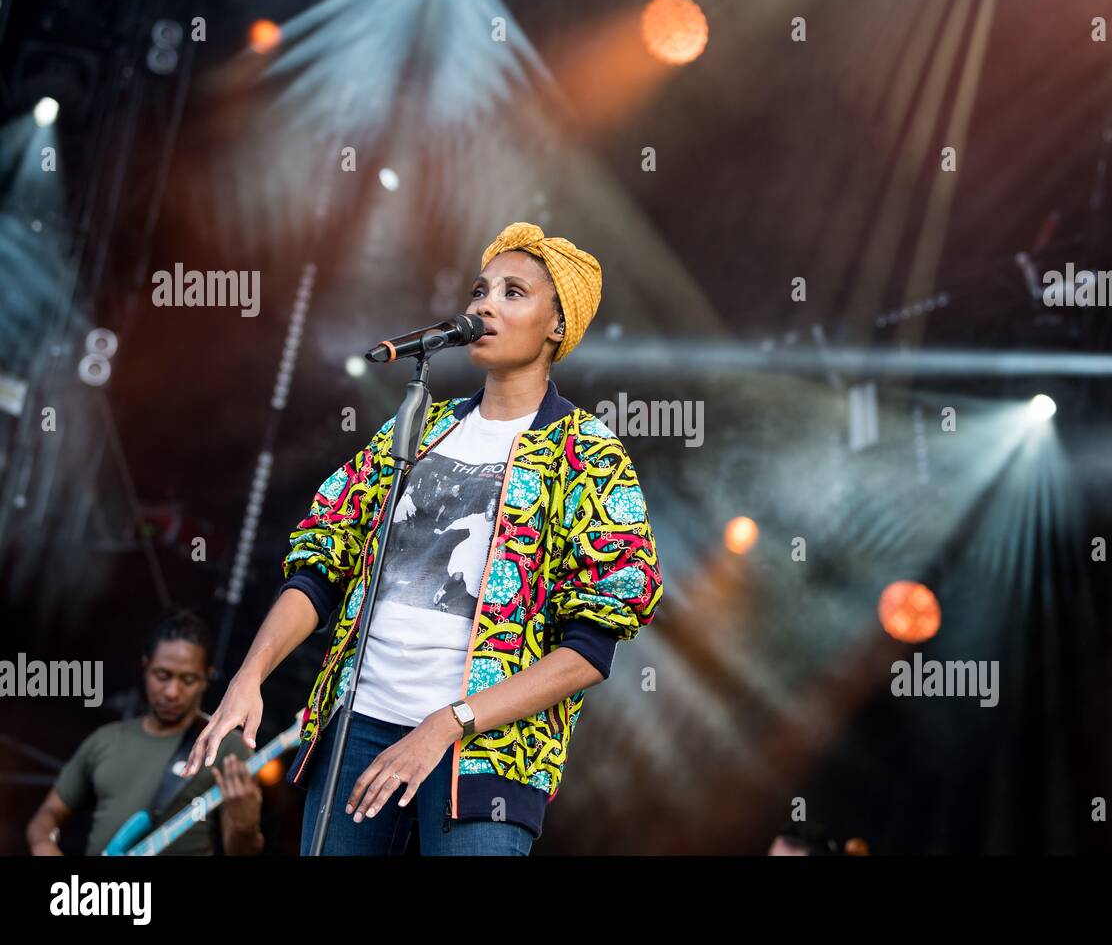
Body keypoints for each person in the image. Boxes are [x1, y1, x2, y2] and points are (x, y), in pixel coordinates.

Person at [184, 222, 664, 855]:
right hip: (361, 727)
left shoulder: (586, 454)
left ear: (557, 326)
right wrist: (249, 677)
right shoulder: (416, 429)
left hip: (487, 752)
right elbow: (324, 563)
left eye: (513, 292)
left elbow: (591, 648)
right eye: (479, 289)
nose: (484, 305)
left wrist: (449, 722)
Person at [27, 609, 263, 856]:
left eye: (188, 679)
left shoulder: (225, 748)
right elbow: (47, 815)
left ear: (207, 678)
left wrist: (245, 827)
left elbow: (242, 852)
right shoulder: (105, 739)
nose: (172, 691)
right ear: (145, 666)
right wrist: (44, 843)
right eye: (162, 676)